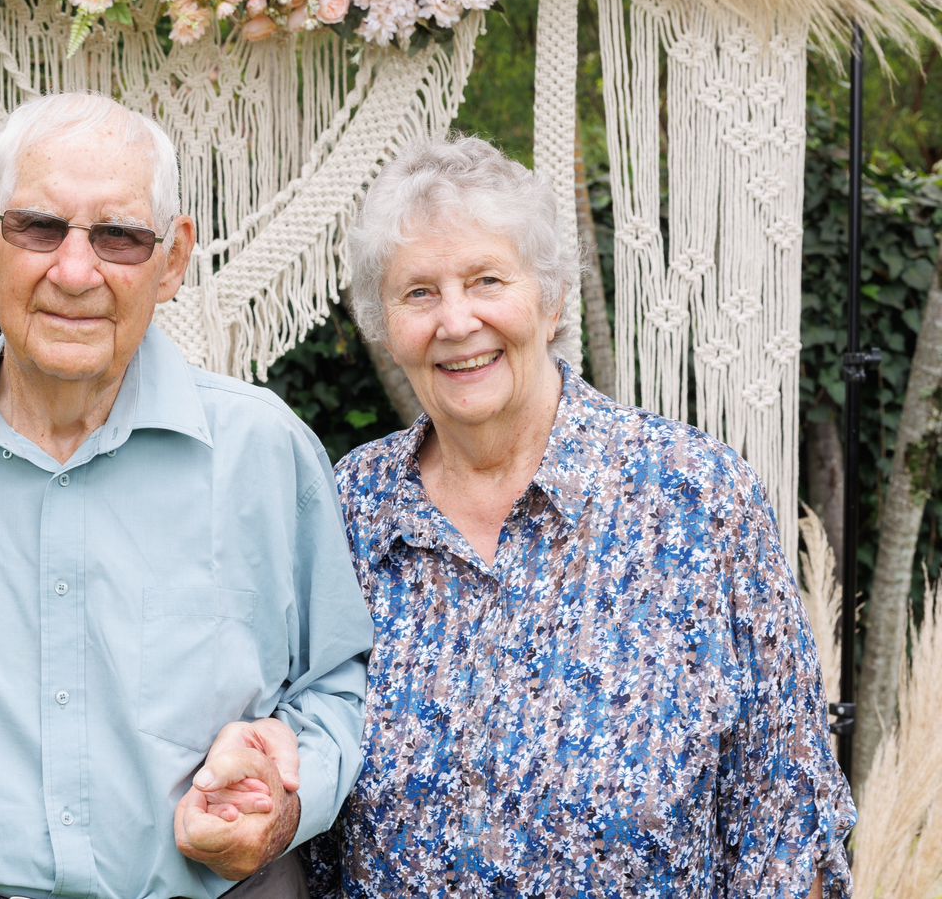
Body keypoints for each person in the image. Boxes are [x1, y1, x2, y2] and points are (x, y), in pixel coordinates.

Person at [0, 91, 374, 899]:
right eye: (39, 228)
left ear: (173, 259)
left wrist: (282, 806)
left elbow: (335, 687)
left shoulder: (262, 452)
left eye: (120, 236)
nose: (76, 271)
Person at [298, 136, 856, 896]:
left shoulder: (695, 496)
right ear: (384, 323)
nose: (456, 321)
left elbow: (785, 824)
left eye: (487, 279)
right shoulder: (351, 509)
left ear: (551, 299)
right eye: (418, 293)